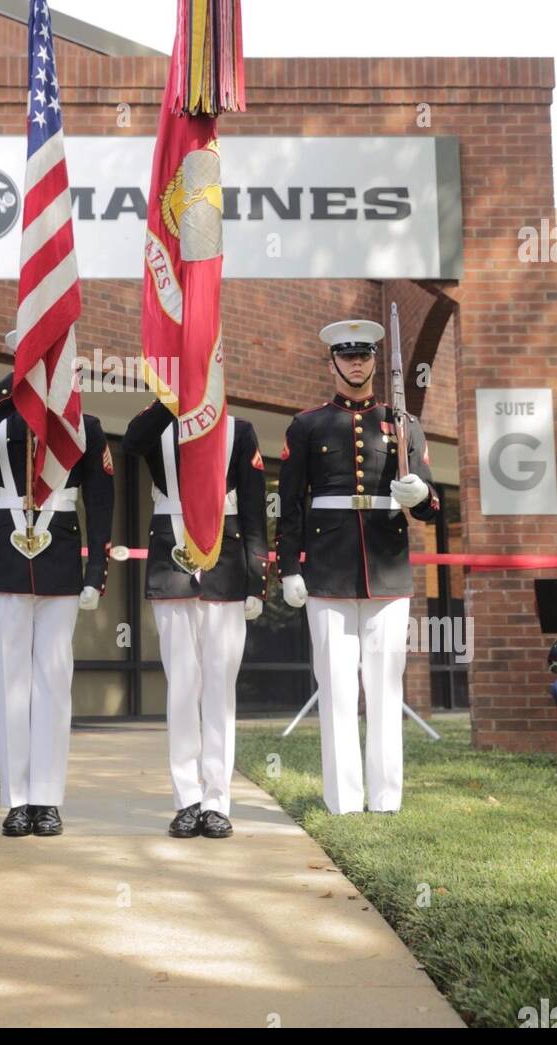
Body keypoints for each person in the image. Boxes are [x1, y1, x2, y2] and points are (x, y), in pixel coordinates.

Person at [275, 319, 440, 815]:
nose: (356, 363)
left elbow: (432, 507)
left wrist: (421, 495)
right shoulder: (307, 425)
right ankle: (344, 800)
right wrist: (288, 568)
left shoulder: (402, 422)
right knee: (338, 688)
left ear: (373, 360)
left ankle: (386, 800)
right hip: (327, 570)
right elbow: (291, 504)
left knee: (386, 689)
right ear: (332, 362)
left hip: (386, 571)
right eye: (347, 355)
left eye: (364, 355)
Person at [0, 331, 114, 837]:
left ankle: (47, 798)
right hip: (8, 555)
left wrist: (97, 573)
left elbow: (102, 505)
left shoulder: (83, 424)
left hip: (61, 556)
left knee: (53, 680)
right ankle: (16, 799)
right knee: (11, 681)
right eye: (33, 357)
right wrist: (13, 384)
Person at [123, 399, 268, 838]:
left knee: (219, 691)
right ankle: (187, 798)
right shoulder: (160, 424)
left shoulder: (239, 431)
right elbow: (132, 443)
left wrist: (256, 579)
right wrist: (169, 402)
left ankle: (217, 802)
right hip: (172, 565)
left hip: (225, 568)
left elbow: (256, 510)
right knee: (183, 689)